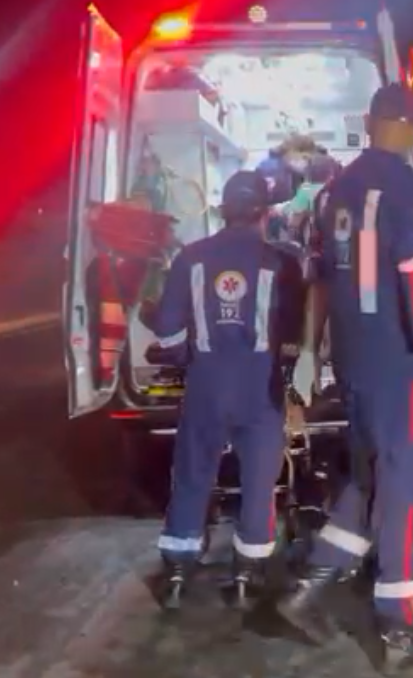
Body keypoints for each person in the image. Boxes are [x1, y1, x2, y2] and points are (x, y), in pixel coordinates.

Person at [278, 83, 413, 673]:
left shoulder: (332, 192)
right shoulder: (411, 190)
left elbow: (317, 282)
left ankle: (308, 587)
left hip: (356, 367)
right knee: (409, 492)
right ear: (408, 126)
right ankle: (400, 626)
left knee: (366, 483)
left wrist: (310, 355)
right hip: (404, 370)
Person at [140, 169, 299, 610]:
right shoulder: (282, 262)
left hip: (206, 384)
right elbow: (295, 333)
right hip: (260, 388)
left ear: (223, 211)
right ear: (264, 213)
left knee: (192, 476)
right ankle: (248, 572)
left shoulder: (190, 259)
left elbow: (169, 331)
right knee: (258, 482)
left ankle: (177, 570)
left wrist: (184, 357)